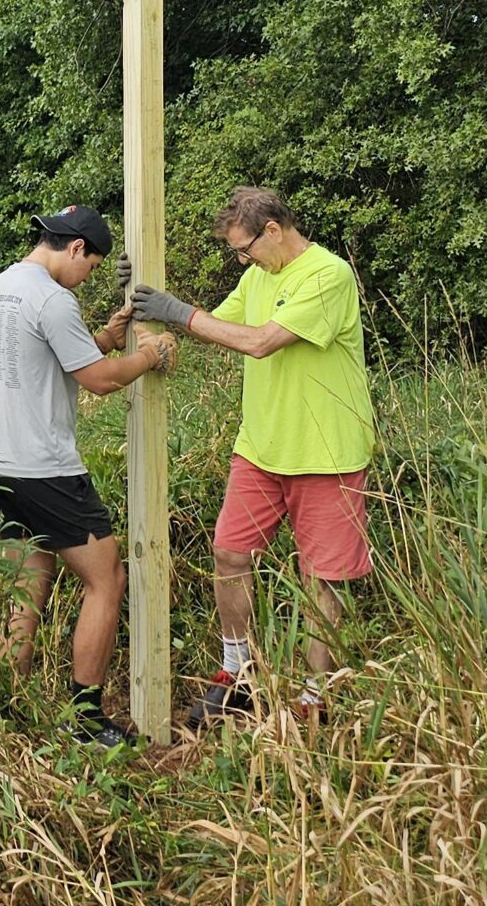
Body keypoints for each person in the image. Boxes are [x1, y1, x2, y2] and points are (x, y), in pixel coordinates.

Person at [124, 186, 374, 729]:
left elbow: (260, 341)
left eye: (245, 249)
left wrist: (179, 312)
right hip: (261, 449)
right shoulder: (258, 276)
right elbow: (217, 330)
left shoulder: (327, 276)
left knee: (321, 579)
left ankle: (314, 697)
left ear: (275, 230)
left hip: (325, 452)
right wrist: (144, 301)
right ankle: (238, 676)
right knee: (230, 555)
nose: (242, 260)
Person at [0, 204, 177, 748]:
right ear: (74, 248)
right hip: (45, 468)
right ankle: (88, 719)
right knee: (106, 578)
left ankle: (6, 704)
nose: (88, 274)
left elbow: (48, 358)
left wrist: (108, 338)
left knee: (28, 580)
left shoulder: (4, 285)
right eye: (90, 265)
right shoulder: (52, 296)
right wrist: (148, 354)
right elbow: (97, 381)